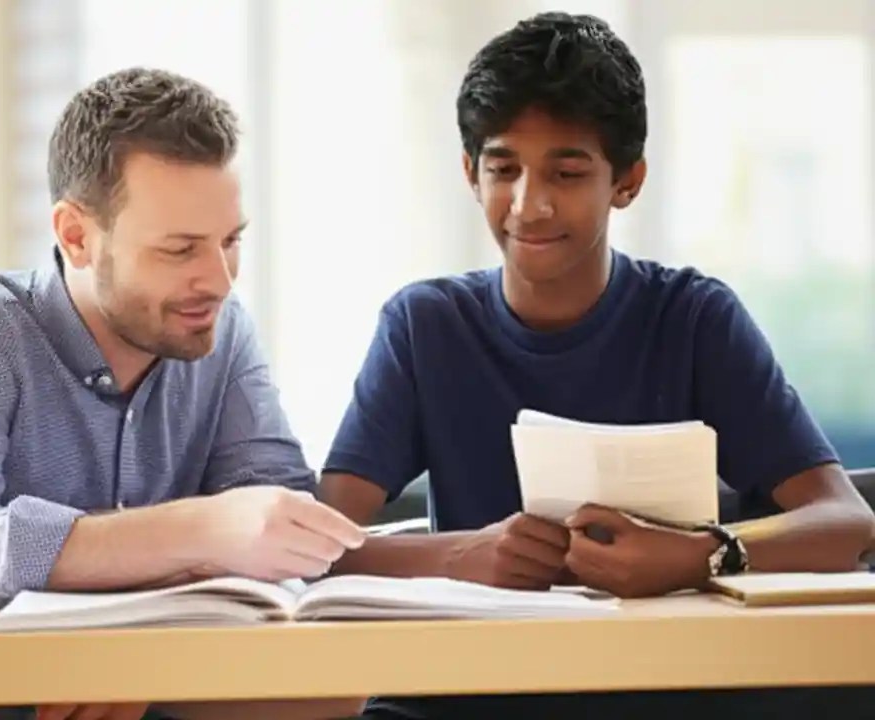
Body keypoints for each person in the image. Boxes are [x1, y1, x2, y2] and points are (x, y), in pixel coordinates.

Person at [317, 12, 875, 718]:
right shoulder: (424, 327)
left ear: (627, 181)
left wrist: (697, 555)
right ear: (471, 173)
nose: (529, 204)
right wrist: (457, 556)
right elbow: (318, 542)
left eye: (567, 171)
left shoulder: (695, 320)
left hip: (660, 692)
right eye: (503, 169)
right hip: (459, 698)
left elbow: (843, 518)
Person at [0, 68, 366, 720]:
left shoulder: (222, 332)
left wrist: (139, 656)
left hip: (146, 690)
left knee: (330, 702)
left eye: (231, 241)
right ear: (76, 235)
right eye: (180, 249)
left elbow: (282, 535)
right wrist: (193, 532)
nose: (217, 279)